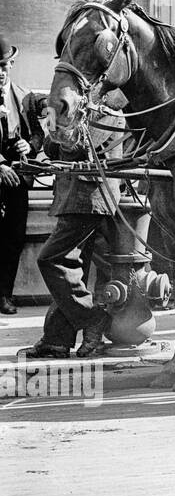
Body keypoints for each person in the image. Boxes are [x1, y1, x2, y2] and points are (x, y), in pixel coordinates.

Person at [23, 103, 126, 359]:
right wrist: (57, 127)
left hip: (90, 198)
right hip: (75, 197)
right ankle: (57, 340)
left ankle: (92, 318)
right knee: (70, 268)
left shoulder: (110, 105)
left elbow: (76, 146)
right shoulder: (77, 106)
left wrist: (56, 125)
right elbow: (51, 148)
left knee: (52, 259)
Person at [1, 35, 39, 315]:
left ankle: (4, 295)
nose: (1, 73)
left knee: (13, 239)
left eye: (5, 66)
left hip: (17, 182)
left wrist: (31, 144)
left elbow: (38, 133)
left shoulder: (24, 97)